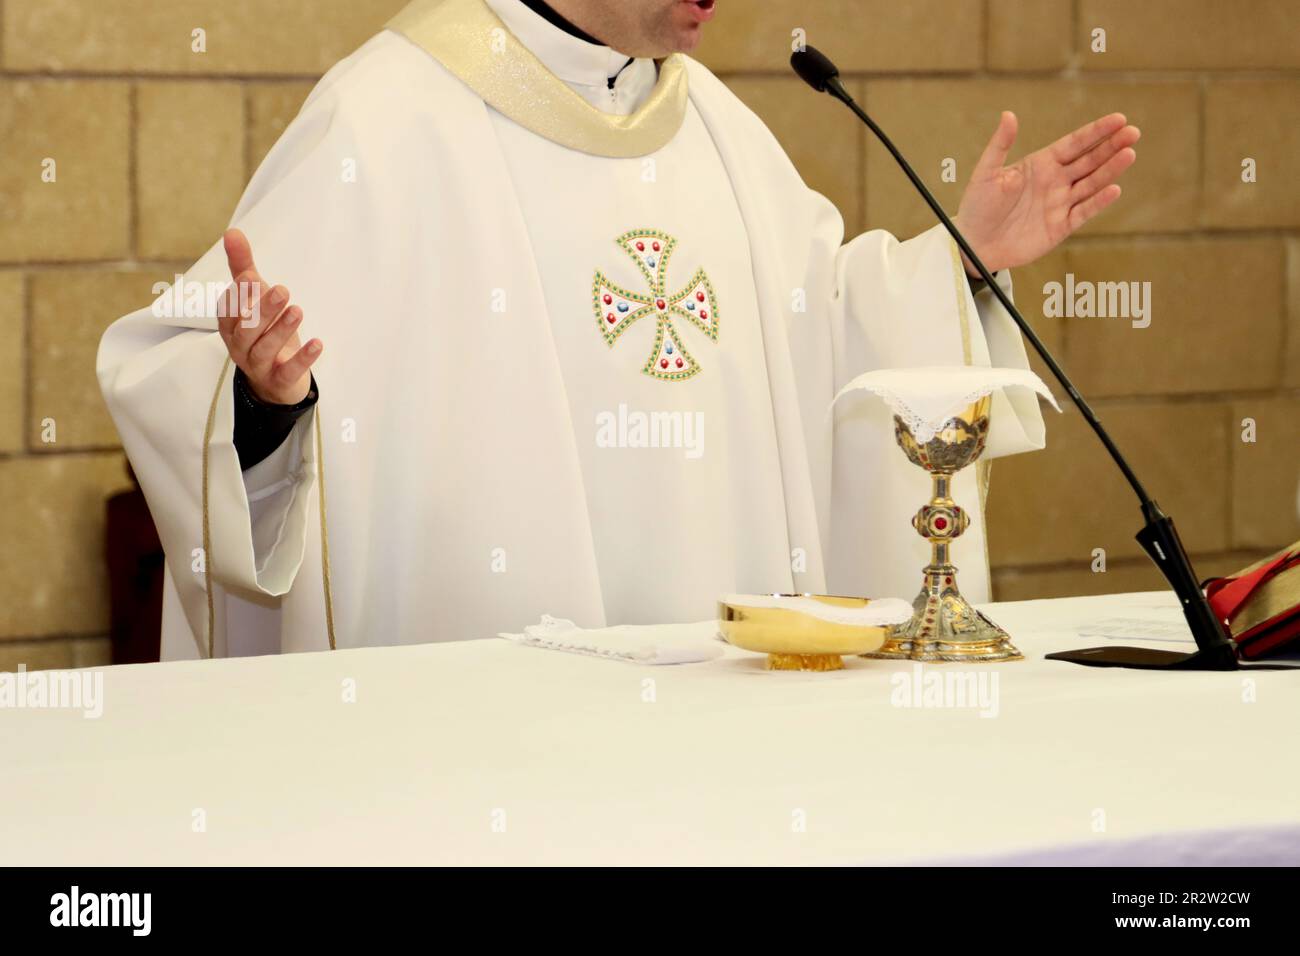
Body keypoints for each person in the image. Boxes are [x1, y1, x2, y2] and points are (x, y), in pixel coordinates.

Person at [98, 0, 1139, 659]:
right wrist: (264, 400)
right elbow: (180, 364)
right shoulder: (389, 116)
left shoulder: (723, 132)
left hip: (724, 728)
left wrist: (958, 261)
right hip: (482, 748)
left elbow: (826, 334)